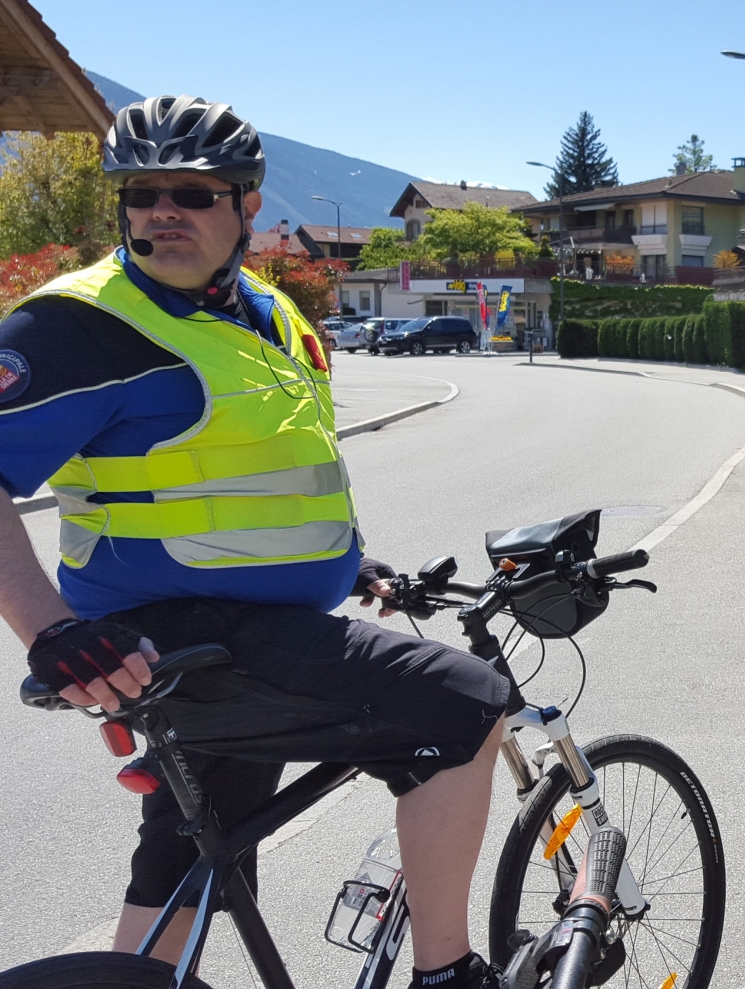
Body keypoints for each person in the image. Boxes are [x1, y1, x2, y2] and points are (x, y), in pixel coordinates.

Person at [0, 97, 510, 989]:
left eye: (192, 193)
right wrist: (48, 630)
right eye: (142, 191)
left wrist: (354, 566)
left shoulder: (266, 312)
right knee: (466, 702)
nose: (163, 210)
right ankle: (447, 974)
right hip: (184, 636)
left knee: (200, 853)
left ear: (246, 205)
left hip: (243, 636)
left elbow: (258, 471)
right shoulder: (79, 325)